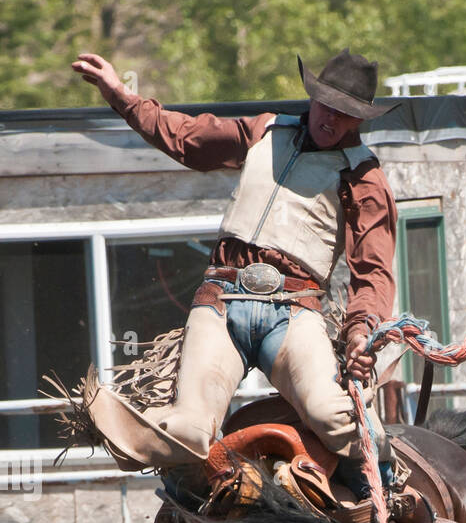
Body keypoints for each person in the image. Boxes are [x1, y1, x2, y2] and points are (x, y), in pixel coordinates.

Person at [70, 48, 397, 496]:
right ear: (312, 98)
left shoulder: (363, 175)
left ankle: (387, 481)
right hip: (220, 302)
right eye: (326, 106)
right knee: (188, 428)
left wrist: (361, 331)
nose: (331, 120)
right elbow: (187, 136)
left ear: (359, 120)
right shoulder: (265, 130)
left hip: (293, 312)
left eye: (345, 114)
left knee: (329, 414)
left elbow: (373, 271)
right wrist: (122, 96)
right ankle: (177, 503)